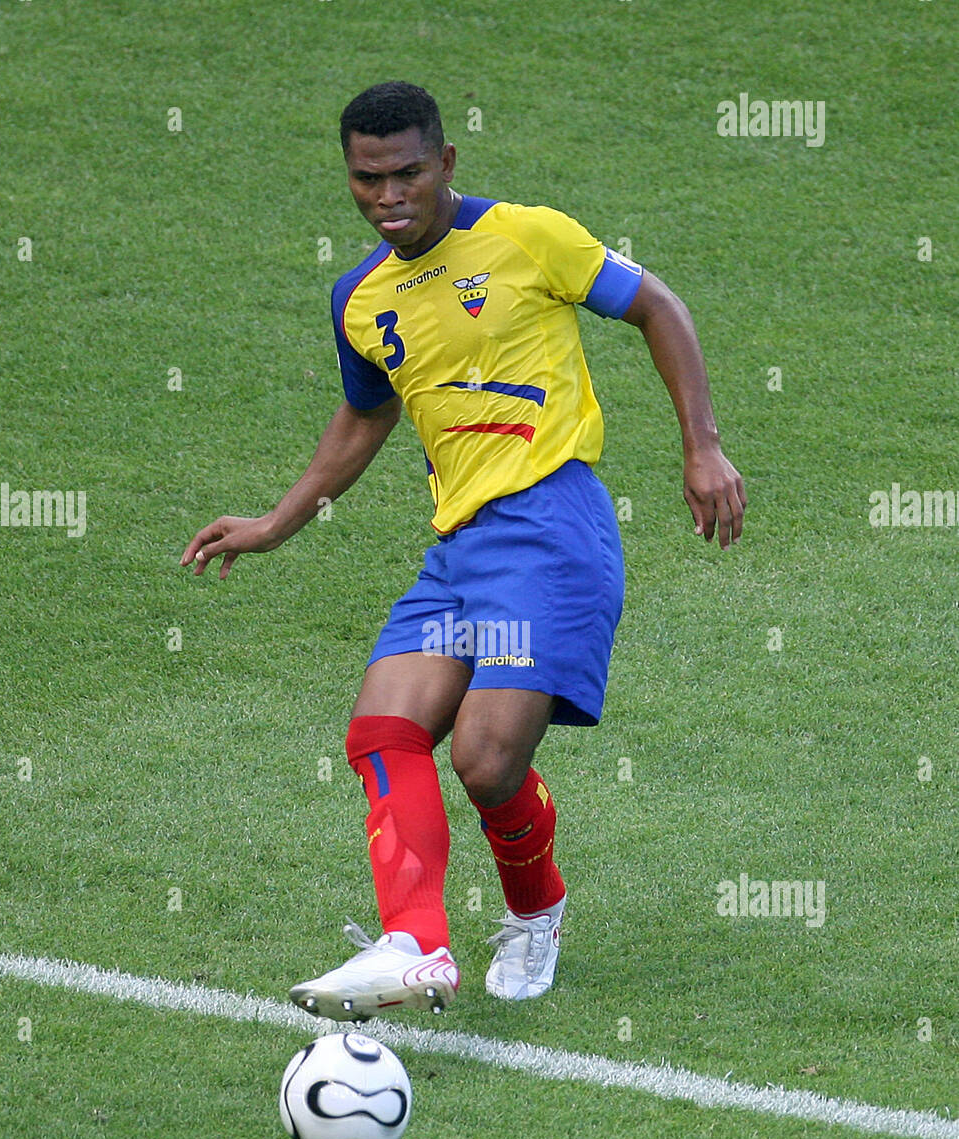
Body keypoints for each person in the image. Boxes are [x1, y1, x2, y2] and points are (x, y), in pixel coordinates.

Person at [181, 81, 745, 1023]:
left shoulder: (528, 237)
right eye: (368, 179)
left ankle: (537, 913)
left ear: (446, 163)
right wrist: (277, 522)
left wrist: (702, 444)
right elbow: (366, 417)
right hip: (460, 548)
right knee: (382, 730)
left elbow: (660, 308)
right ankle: (417, 944)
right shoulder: (359, 298)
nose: (388, 195)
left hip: (552, 528)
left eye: (406, 173)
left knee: (485, 764)